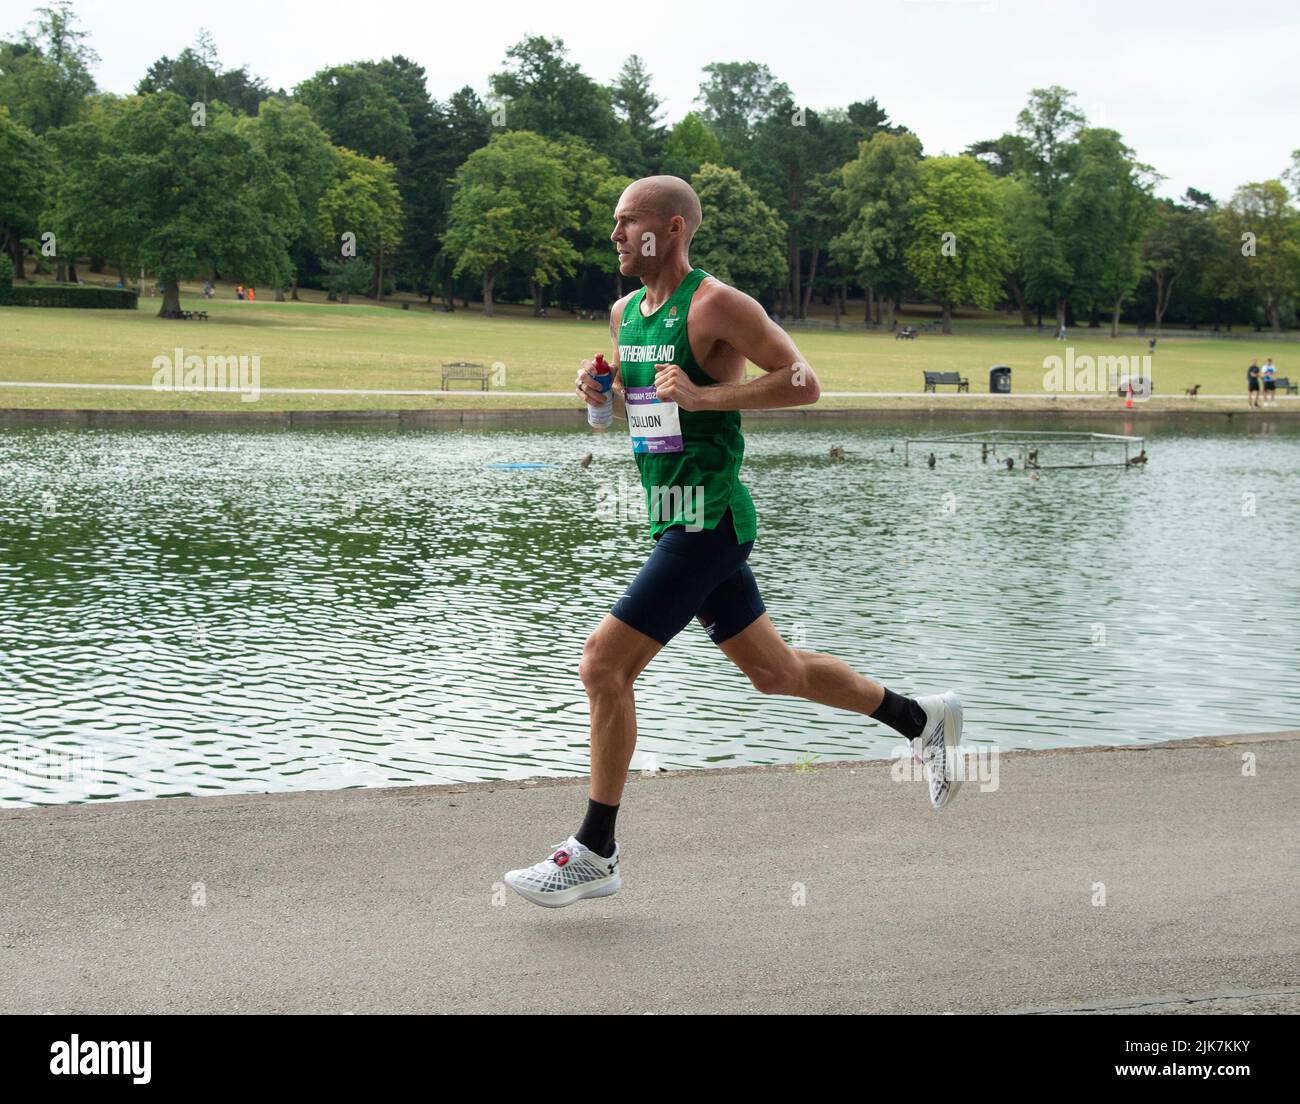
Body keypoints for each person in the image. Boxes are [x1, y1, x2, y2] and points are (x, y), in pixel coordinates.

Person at [502, 175, 965, 909]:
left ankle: (595, 850)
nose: (616, 235)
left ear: (674, 228)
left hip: (708, 521)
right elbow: (642, 403)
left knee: (602, 665)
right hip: (671, 513)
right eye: (615, 224)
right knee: (775, 673)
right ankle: (922, 718)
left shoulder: (719, 304)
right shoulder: (625, 312)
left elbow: (803, 381)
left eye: (628, 222)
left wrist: (708, 395)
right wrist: (601, 396)